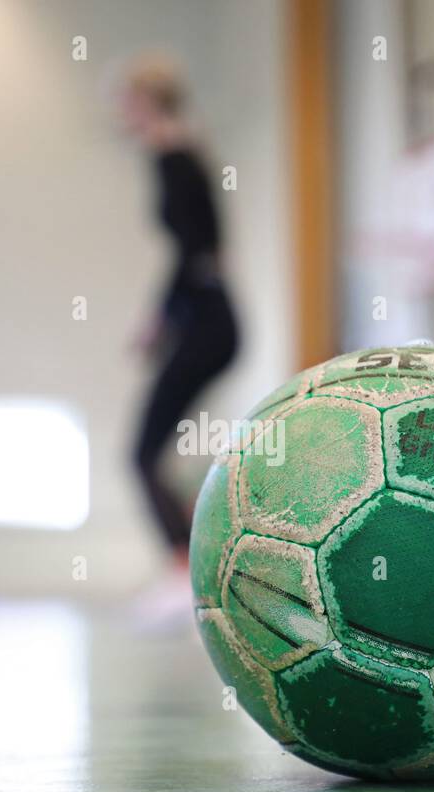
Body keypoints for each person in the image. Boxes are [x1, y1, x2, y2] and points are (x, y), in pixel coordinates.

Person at [118, 57, 240, 623]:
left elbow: (196, 253)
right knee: (157, 454)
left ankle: (183, 571)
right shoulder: (182, 154)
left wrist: (158, 319)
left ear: (145, 103)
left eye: (127, 101)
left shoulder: (174, 157)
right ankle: (202, 571)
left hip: (209, 323)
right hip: (207, 320)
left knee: (141, 452)